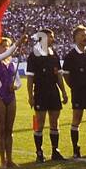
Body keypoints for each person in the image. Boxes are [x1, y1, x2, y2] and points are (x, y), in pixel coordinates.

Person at [26, 28, 68, 161]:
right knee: (40, 123)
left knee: (55, 122)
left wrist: (64, 92)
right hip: (40, 92)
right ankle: (39, 152)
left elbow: (59, 76)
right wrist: (30, 96)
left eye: (52, 37)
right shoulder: (34, 55)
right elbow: (30, 79)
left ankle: (55, 150)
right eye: (50, 37)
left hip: (53, 92)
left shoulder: (54, 54)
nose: (52, 39)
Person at [60, 25, 86, 158]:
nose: (85, 38)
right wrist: (73, 86)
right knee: (77, 118)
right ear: (75, 37)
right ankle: (76, 149)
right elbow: (65, 74)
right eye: (82, 35)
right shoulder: (70, 56)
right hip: (78, 90)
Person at [0, 37, 21, 168]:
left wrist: (15, 86)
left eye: (7, 46)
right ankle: (2, 159)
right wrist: (17, 45)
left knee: (9, 130)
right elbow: (5, 55)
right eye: (3, 46)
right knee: (1, 129)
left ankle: (10, 159)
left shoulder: (13, 63)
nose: (6, 48)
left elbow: (18, 81)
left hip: (11, 97)